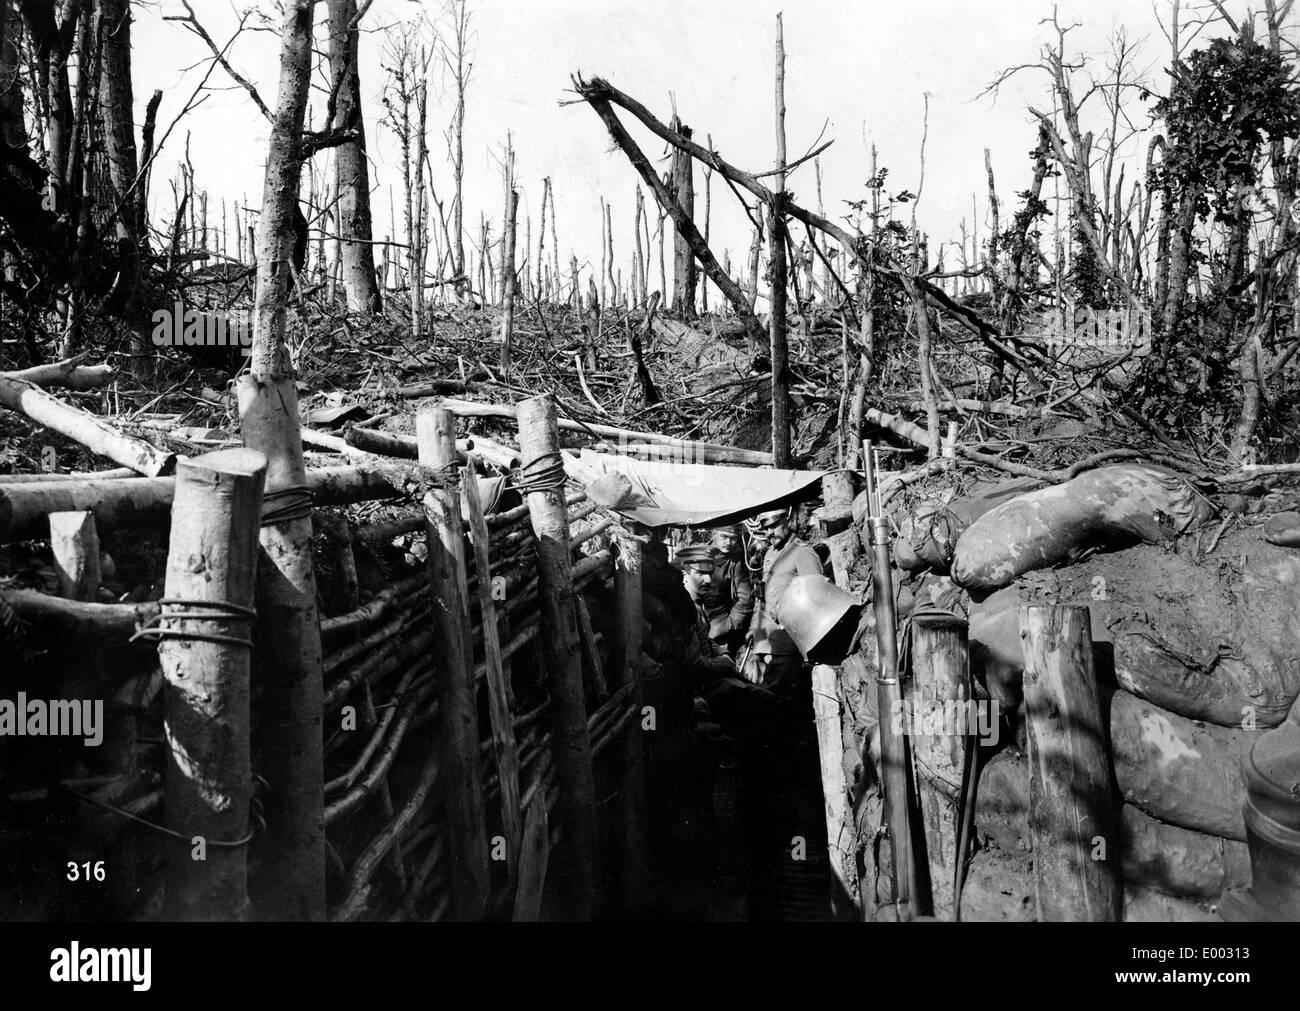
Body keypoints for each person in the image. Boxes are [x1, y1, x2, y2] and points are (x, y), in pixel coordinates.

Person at [675, 544, 796, 744]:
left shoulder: (695, 604)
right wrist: (723, 662)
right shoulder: (685, 608)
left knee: (762, 696)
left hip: (709, 679)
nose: (708, 580)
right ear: (684, 574)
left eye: (711, 573)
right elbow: (694, 664)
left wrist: (721, 651)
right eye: (700, 574)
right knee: (763, 702)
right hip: (698, 688)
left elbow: (705, 641)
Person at [750, 507, 825, 703]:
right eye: (765, 528)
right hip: (764, 639)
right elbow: (764, 595)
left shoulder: (802, 552)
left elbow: (815, 596)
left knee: (776, 701)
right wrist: (753, 627)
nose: (769, 532)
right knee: (760, 695)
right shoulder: (770, 553)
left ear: (788, 521)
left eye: (774, 526)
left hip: (785, 642)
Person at [701, 525, 753, 658]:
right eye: (724, 537)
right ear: (714, 533)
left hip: (718, 627)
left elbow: (745, 600)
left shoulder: (735, 563)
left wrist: (727, 625)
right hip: (694, 621)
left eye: (733, 539)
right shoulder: (696, 553)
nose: (729, 543)